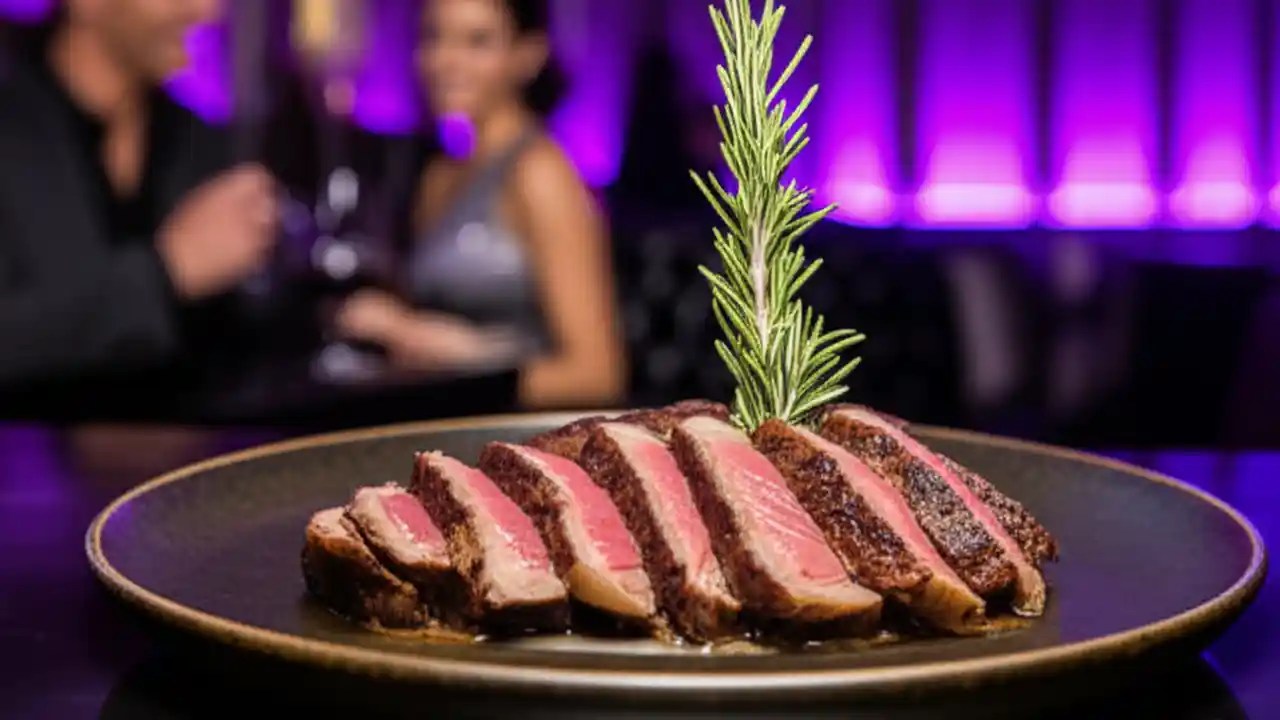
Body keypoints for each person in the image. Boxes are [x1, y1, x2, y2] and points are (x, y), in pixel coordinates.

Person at [335, 0, 625, 409]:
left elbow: (597, 375)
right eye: (434, 37)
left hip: (517, 441)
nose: (444, 61)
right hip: (444, 427)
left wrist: (454, 357)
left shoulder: (540, 173)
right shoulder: (440, 174)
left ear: (527, 56)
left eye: (476, 42)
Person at [0, 0, 277, 418]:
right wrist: (165, 272)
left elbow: (243, 343)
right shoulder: (13, 132)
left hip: (191, 470)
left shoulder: (200, 142)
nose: (207, 12)